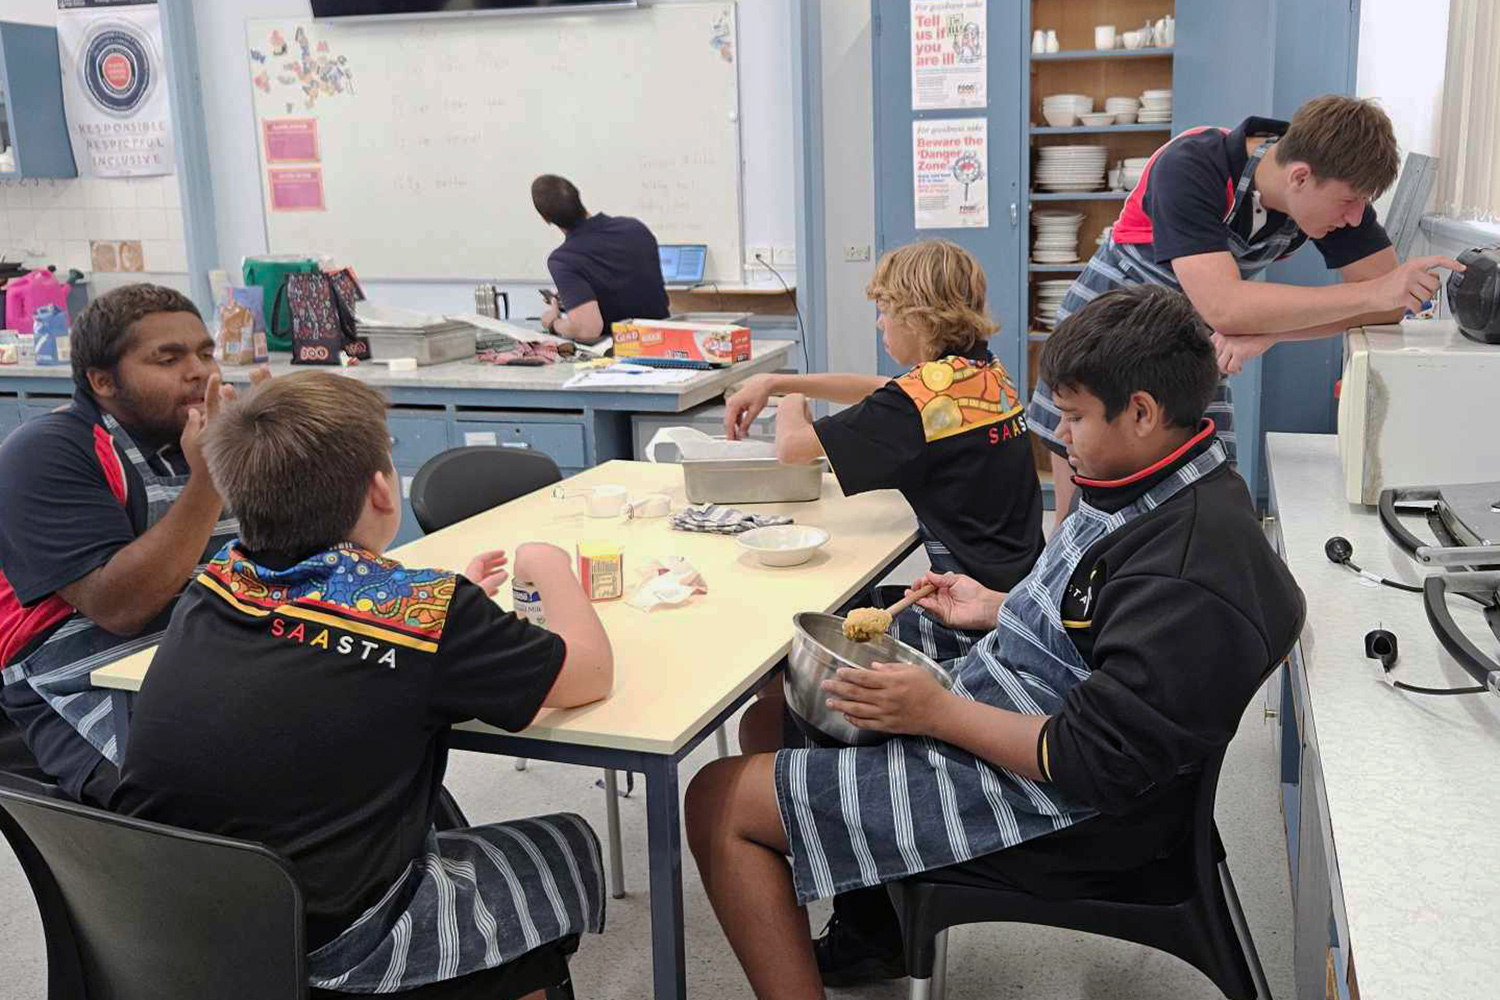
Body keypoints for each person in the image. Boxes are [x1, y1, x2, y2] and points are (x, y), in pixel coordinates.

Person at [684, 285, 1305, 998]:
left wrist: (934, 714)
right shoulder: (1161, 478)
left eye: (1072, 419)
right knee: (783, 710)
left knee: (717, 801)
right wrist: (1001, 608)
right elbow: (1109, 619)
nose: (1060, 437)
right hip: (1022, 706)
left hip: (1071, 808)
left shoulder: (1189, 563)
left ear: (1141, 411)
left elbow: (1087, 758)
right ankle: (867, 921)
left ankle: (834, 881)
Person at [112, 371, 614, 997]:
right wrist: (546, 563)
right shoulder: (428, 611)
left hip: (170, 919)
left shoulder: (215, 581)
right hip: (330, 940)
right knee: (552, 845)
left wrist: (440, 607)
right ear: (381, 490)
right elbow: (589, 672)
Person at [1031, 94, 1464, 525]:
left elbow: (1386, 308)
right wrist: (1376, 293)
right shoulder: (1193, 165)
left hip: (1189, 340)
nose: (1354, 219)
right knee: (1086, 503)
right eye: (1349, 202)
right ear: (1299, 177)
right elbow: (1225, 306)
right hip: (1103, 334)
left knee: (1208, 492)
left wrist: (1273, 332)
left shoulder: (1327, 184)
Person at [724, 239, 1043, 749]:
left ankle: (802, 755)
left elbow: (792, 448)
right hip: (1012, 587)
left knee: (786, 656)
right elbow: (882, 389)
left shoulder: (913, 407)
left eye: (885, 310)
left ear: (918, 318)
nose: (879, 323)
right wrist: (784, 378)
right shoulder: (983, 375)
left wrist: (786, 398)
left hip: (963, 613)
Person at [0, 284, 261, 805]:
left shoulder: (208, 433)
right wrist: (208, 477)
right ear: (103, 381)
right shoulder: (46, 452)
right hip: (80, 678)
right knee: (229, 792)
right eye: (168, 359)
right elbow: (120, 607)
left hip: (213, 646)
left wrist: (283, 449)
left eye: (205, 353)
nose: (199, 372)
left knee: (362, 734)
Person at [532, 173, 670, 343]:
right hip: (667, 341)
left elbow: (588, 329)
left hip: (624, 351)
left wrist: (553, 322)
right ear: (578, 198)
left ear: (545, 219)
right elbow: (633, 286)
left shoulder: (563, 260)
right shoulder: (635, 228)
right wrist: (576, 294)